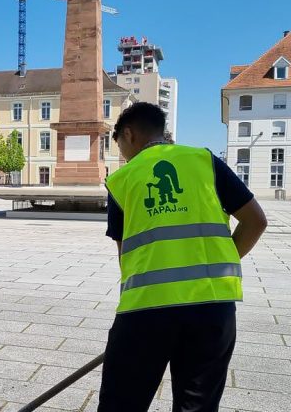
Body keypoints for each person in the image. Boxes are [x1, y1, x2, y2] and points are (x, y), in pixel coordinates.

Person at [99, 102, 268, 411]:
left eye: (121, 146)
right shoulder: (205, 161)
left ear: (129, 134)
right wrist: (218, 265)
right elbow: (256, 221)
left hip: (145, 311)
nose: (123, 154)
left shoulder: (123, 180)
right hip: (212, 308)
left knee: (121, 404)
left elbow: (125, 257)